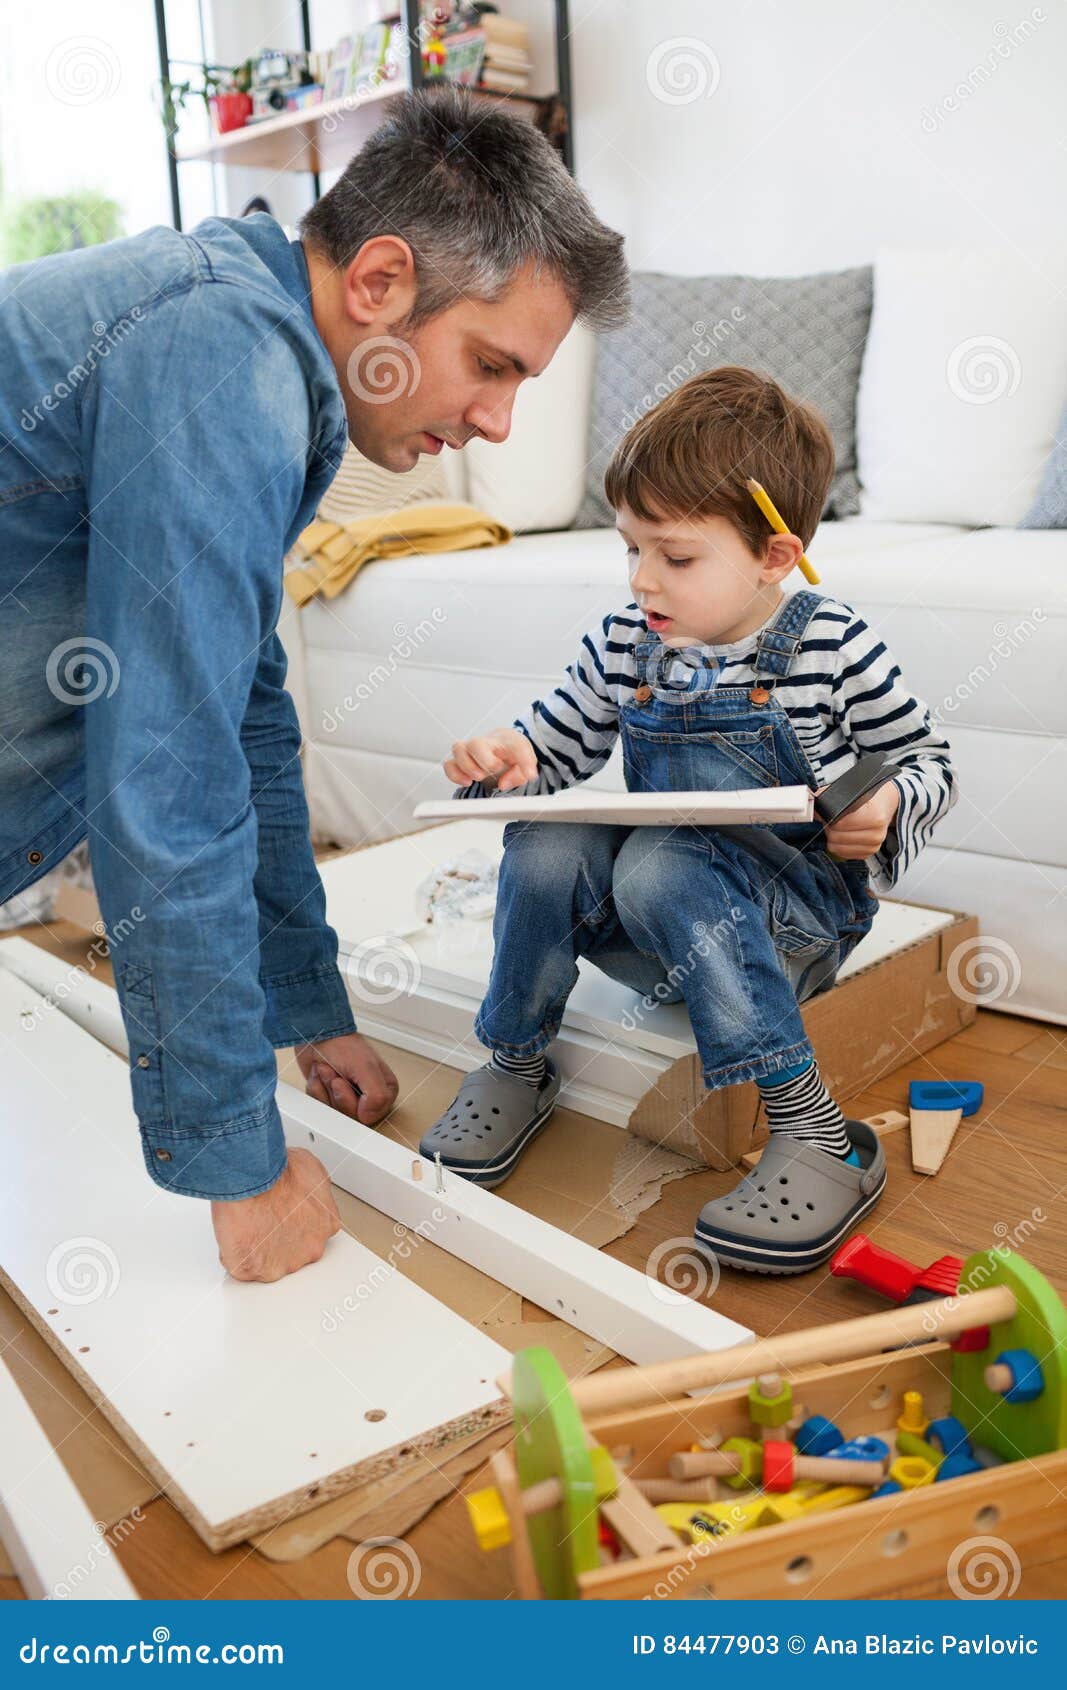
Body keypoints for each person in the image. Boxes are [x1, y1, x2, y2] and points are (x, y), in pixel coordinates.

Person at [0, 88, 628, 1281]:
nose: (497, 421)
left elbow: (242, 718)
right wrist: (237, 1160)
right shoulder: (221, 354)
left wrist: (307, 1004)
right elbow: (168, 777)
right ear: (380, 282)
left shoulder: (248, 337)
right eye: (488, 365)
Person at [424, 365, 958, 1274]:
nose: (642, 581)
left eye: (674, 558)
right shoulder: (625, 640)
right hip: (656, 930)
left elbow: (926, 760)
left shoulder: (830, 644)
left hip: (786, 926)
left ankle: (814, 1130)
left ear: (773, 557)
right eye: (629, 549)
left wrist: (887, 804)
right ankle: (515, 1062)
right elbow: (555, 745)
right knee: (548, 842)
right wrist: (511, 759)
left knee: (661, 864)